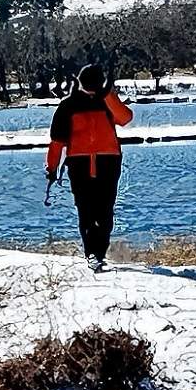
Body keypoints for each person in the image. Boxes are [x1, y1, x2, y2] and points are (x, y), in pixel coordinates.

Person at [46, 65, 135, 271]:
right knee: (93, 211)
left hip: (101, 162)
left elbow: (124, 118)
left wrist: (108, 96)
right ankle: (94, 254)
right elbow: (57, 141)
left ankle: (96, 253)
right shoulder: (68, 106)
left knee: (97, 211)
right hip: (87, 163)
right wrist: (51, 168)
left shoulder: (105, 102)